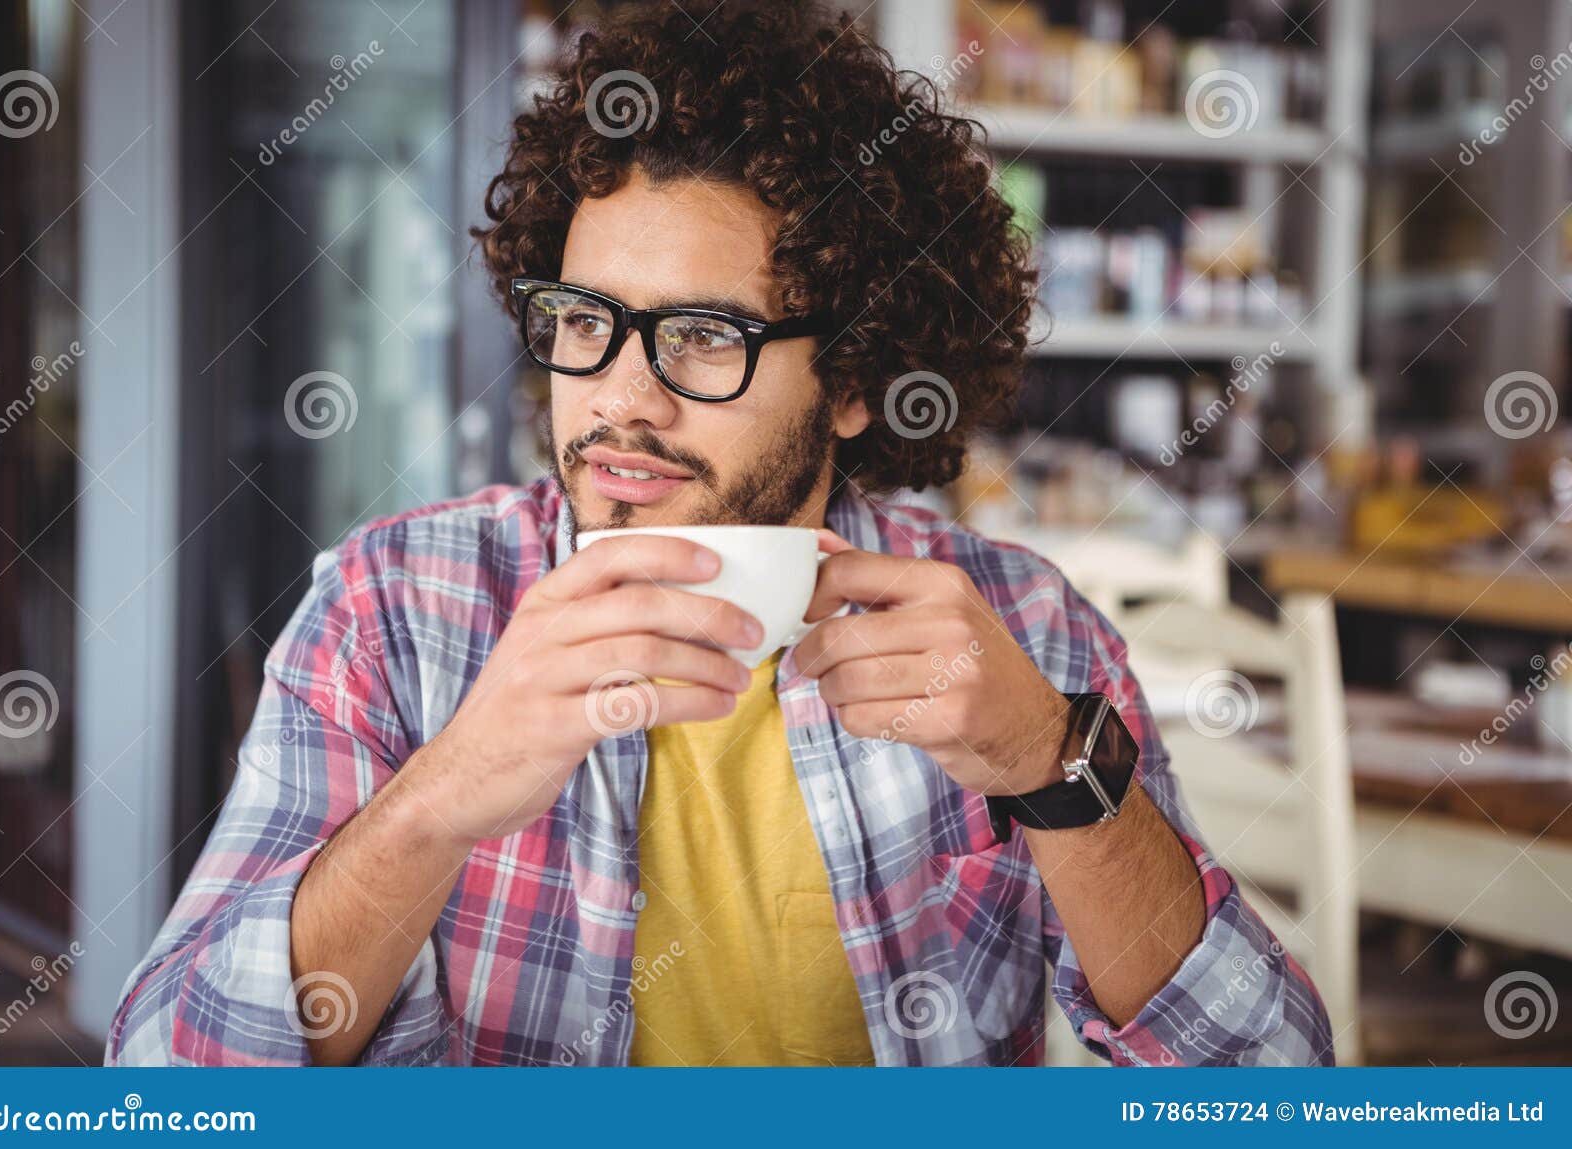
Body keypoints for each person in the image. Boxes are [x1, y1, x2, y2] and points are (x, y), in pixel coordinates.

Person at [107, 0, 1334, 1067]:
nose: (622, 397)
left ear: (854, 378)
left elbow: (1278, 1088)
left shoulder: (1017, 630)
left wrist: (1048, 768)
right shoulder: (393, 609)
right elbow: (163, 1085)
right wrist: (443, 796)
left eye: (702, 337)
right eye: (583, 319)